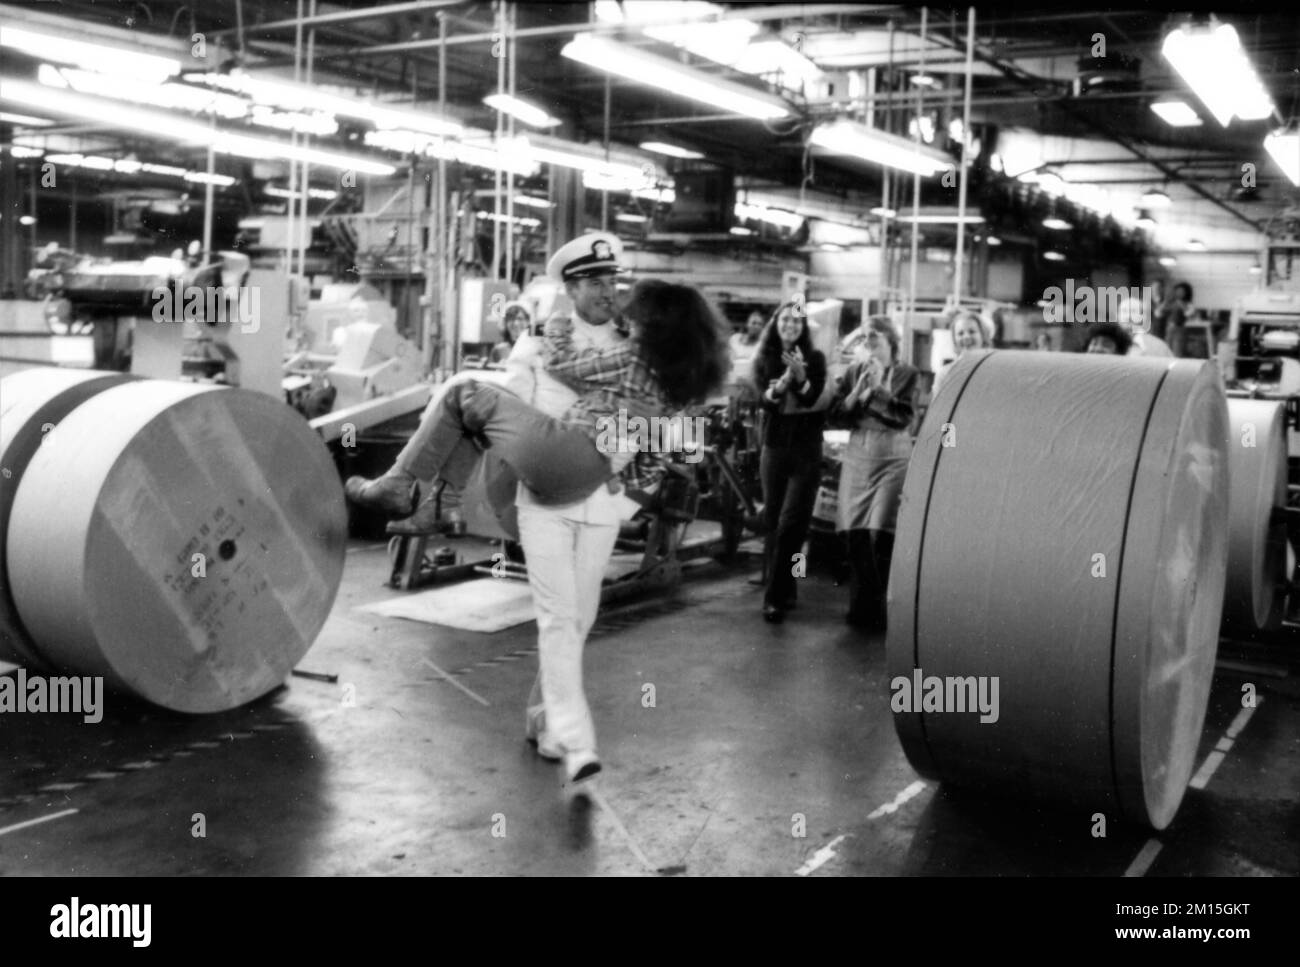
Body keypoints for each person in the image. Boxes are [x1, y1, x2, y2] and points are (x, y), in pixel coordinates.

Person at [346, 233, 726, 789]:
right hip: (546, 494)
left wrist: (632, 479)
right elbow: (509, 418)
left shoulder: (632, 342)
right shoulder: (538, 342)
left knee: (578, 619)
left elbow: (656, 431)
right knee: (556, 616)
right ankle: (570, 738)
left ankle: (545, 721)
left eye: (612, 281)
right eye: (594, 282)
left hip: (602, 500)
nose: (607, 292)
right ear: (569, 288)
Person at [830, 317, 918, 631]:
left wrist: (879, 390)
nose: (869, 345)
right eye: (865, 340)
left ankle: (883, 609)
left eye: (875, 339)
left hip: (892, 457)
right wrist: (856, 392)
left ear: (891, 343)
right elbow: (836, 416)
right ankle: (861, 606)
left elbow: (903, 416)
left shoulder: (907, 374)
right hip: (857, 456)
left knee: (881, 531)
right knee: (853, 531)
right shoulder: (853, 372)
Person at [752, 300, 828, 623]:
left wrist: (799, 378)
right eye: (785, 320)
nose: (790, 325)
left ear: (803, 327)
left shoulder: (816, 358)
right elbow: (764, 402)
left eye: (797, 321)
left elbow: (813, 397)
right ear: (776, 323)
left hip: (807, 451)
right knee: (774, 522)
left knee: (792, 524)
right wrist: (780, 385)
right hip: (775, 448)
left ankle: (773, 598)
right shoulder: (764, 358)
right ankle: (787, 584)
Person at [933, 309, 993, 394]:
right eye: (960, 333)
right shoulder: (945, 375)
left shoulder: (994, 371)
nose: (966, 337)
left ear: (983, 336)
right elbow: (938, 406)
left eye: (972, 332)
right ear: (954, 340)